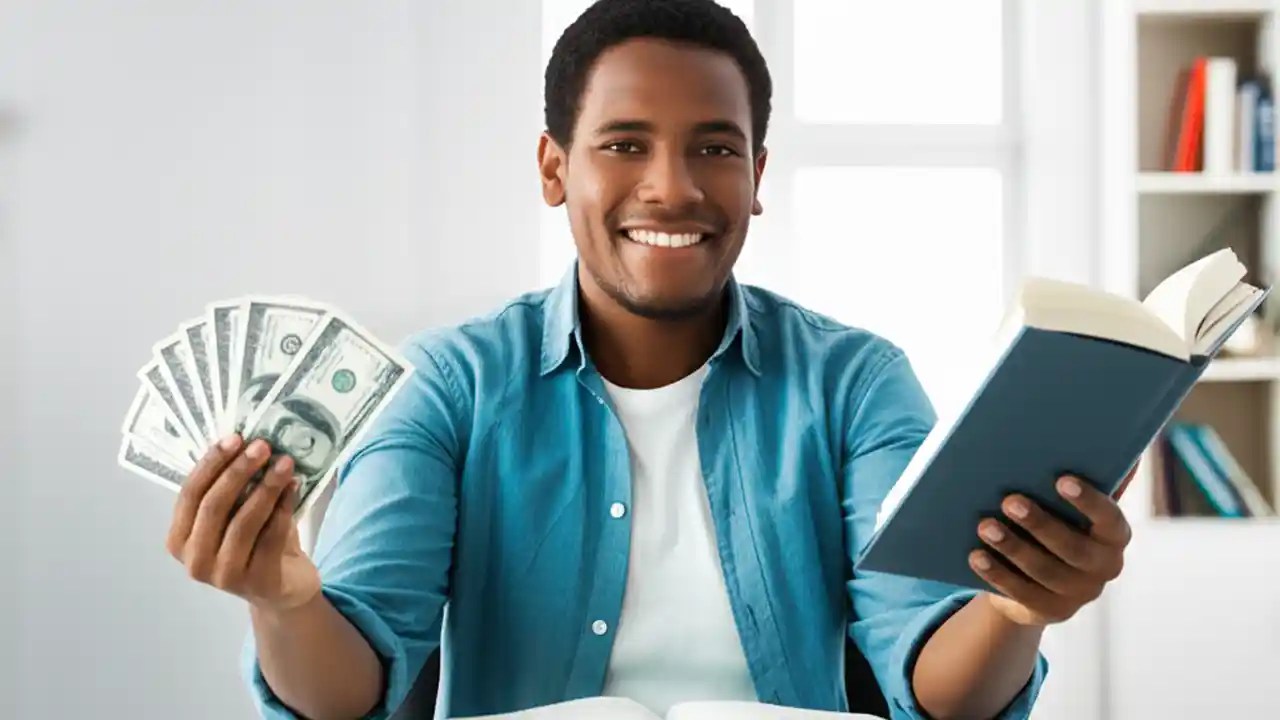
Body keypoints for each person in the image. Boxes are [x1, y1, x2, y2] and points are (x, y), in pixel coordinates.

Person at [162, 1, 1135, 718]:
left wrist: (1015, 611)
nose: (669, 189)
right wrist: (283, 600)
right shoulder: (447, 386)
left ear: (756, 176)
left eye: (713, 150)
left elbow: (938, 689)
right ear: (555, 168)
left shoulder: (857, 383)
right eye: (624, 144)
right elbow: (350, 693)